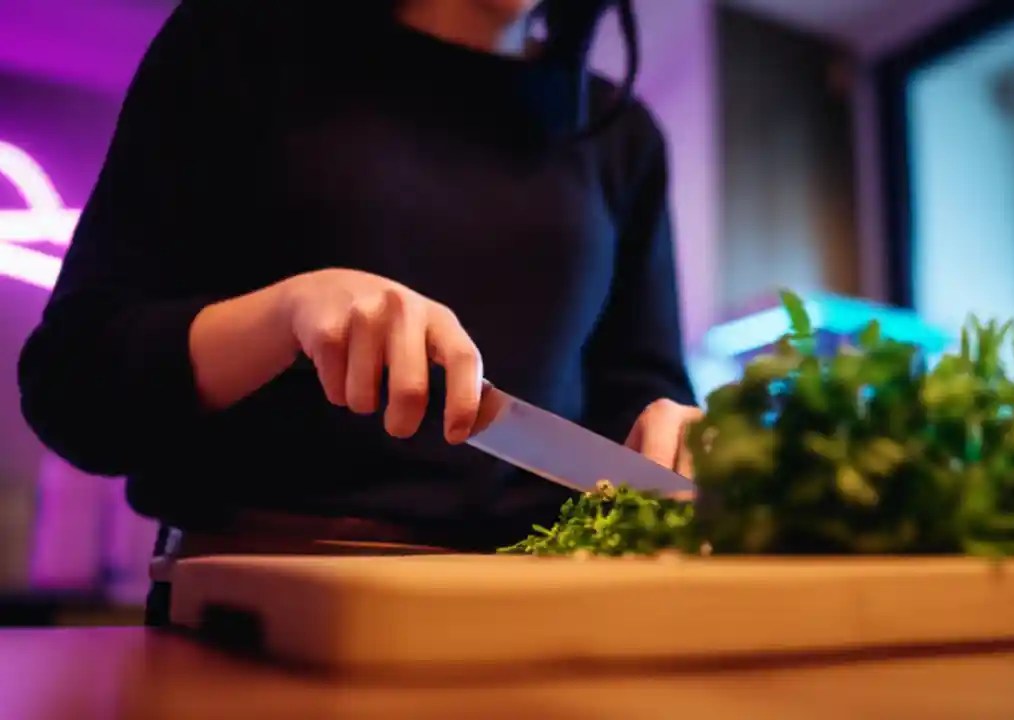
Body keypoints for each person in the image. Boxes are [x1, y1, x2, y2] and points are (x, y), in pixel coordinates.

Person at [16, 0, 700, 624]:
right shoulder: (234, 42)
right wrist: (285, 315)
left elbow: (641, 395)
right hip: (262, 626)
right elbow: (75, 386)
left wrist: (681, 441)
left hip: (544, 623)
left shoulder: (623, 137)